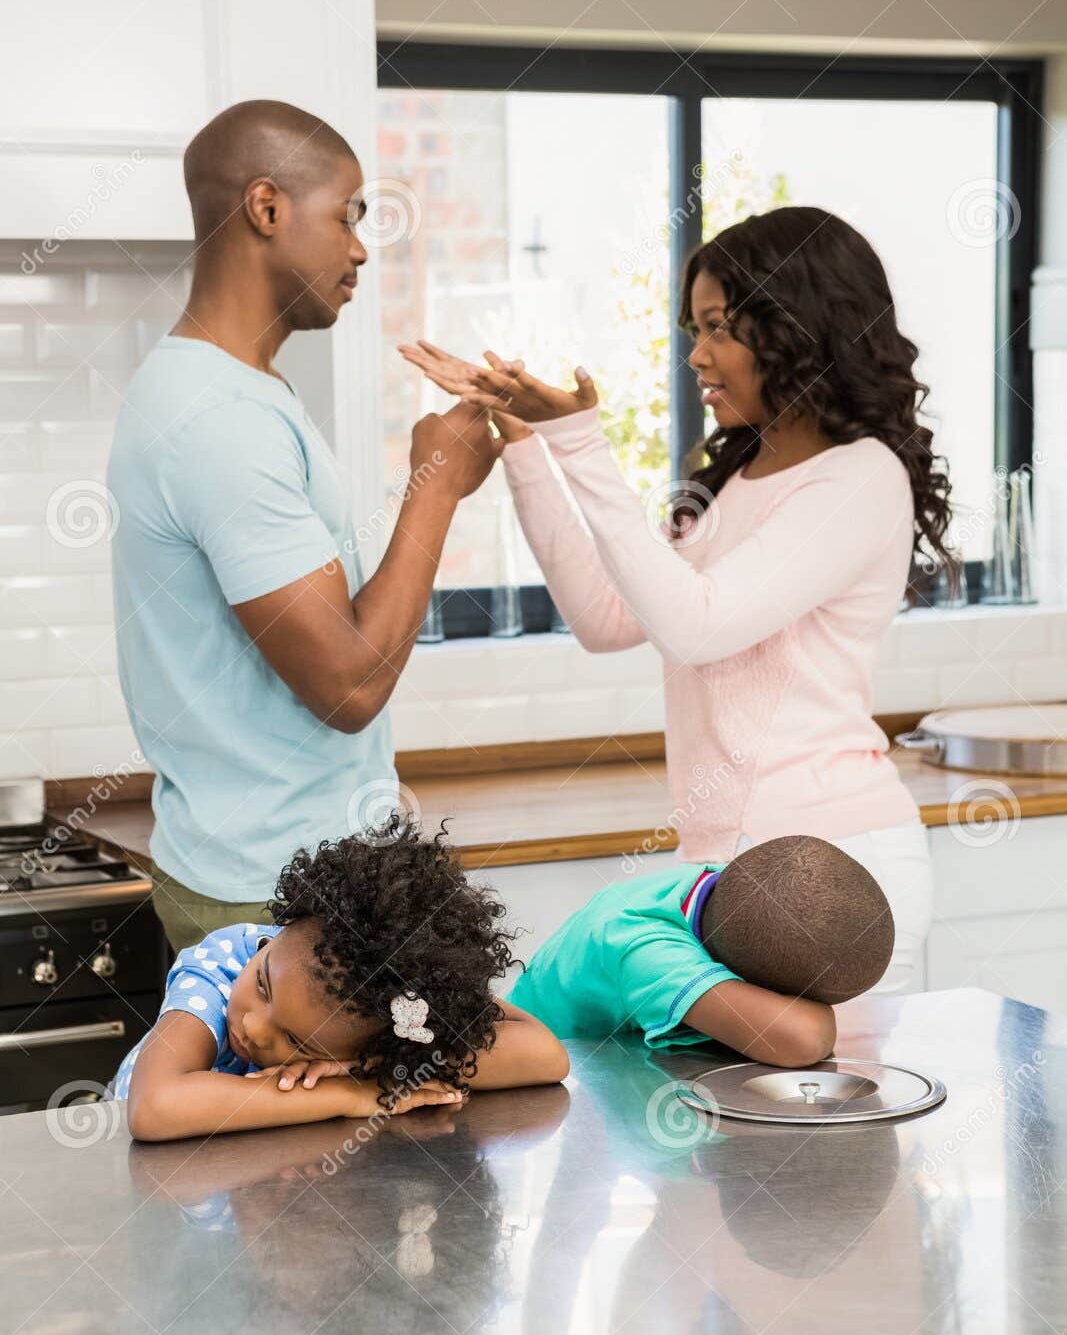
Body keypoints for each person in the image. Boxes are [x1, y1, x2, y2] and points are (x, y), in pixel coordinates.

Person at [401, 206, 957, 984]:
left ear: (797, 327)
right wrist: (528, 447)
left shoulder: (857, 478)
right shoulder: (733, 474)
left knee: (821, 1102)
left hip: (833, 866)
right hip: (726, 869)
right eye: (694, 329)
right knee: (729, 1103)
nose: (696, 355)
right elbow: (605, 618)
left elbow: (695, 628)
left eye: (718, 327)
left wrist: (581, 441)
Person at [108, 100, 498, 957]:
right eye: (348, 215)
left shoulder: (237, 390)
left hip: (278, 872)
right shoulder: (218, 416)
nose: (360, 247)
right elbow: (348, 689)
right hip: (270, 897)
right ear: (267, 208)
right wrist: (436, 490)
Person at [114, 814, 569, 1141]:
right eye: (262, 984)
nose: (253, 1026)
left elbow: (546, 1057)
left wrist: (389, 1066)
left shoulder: (375, 1006)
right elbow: (155, 1107)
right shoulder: (226, 961)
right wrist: (350, 1096)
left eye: (298, 1041)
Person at [509, 834, 895, 1067]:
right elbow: (804, 1039)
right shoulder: (645, 948)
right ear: (749, 984)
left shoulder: (736, 889)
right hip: (540, 1069)